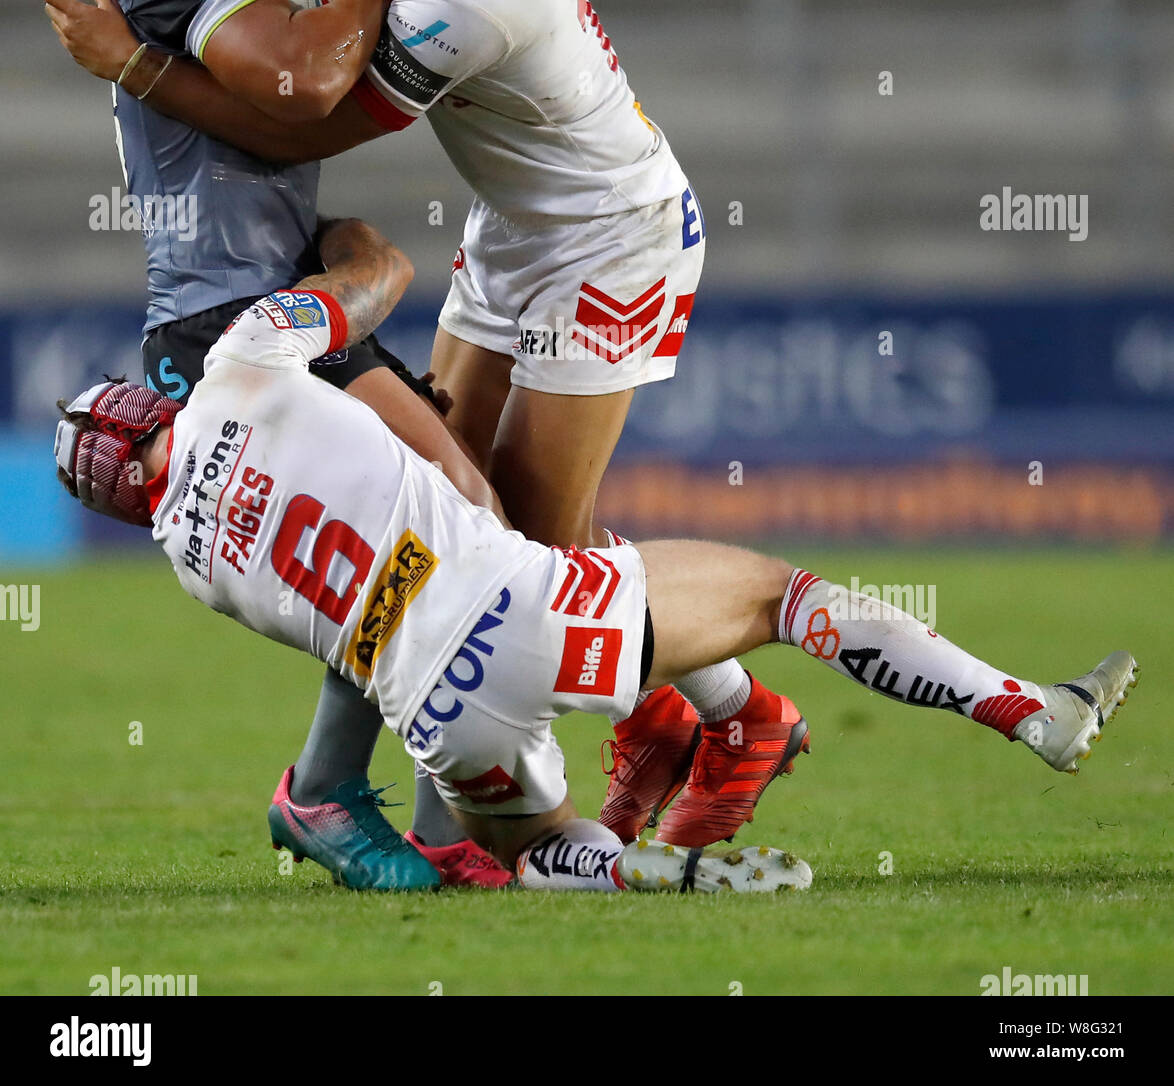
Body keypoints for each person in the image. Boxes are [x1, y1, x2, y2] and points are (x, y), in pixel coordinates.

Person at [41, 0, 771, 863]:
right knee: (456, 534)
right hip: (380, 270)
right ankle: (463, 781)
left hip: (603, 236)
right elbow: (288, 73)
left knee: (498, 538)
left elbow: (298, 111)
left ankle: (721, 723)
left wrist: (138, 62)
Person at [53, 217, 1140, 896]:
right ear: (156, 408)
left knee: (535, 845)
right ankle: (1031, 711)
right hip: (515, 604)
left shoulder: (188, 564)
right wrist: (339, 245)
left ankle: (647, 872)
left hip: (434, 714)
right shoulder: (241, 360)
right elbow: (373, 273)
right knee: (780, 595)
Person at [38, 0, 513, 889]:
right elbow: (303, 83)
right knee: (460, 517)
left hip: (271, 303)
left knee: (443, 528)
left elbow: (296, 117)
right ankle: (357, 798)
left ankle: (384, 805)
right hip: (230, 322)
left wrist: (154, 67)